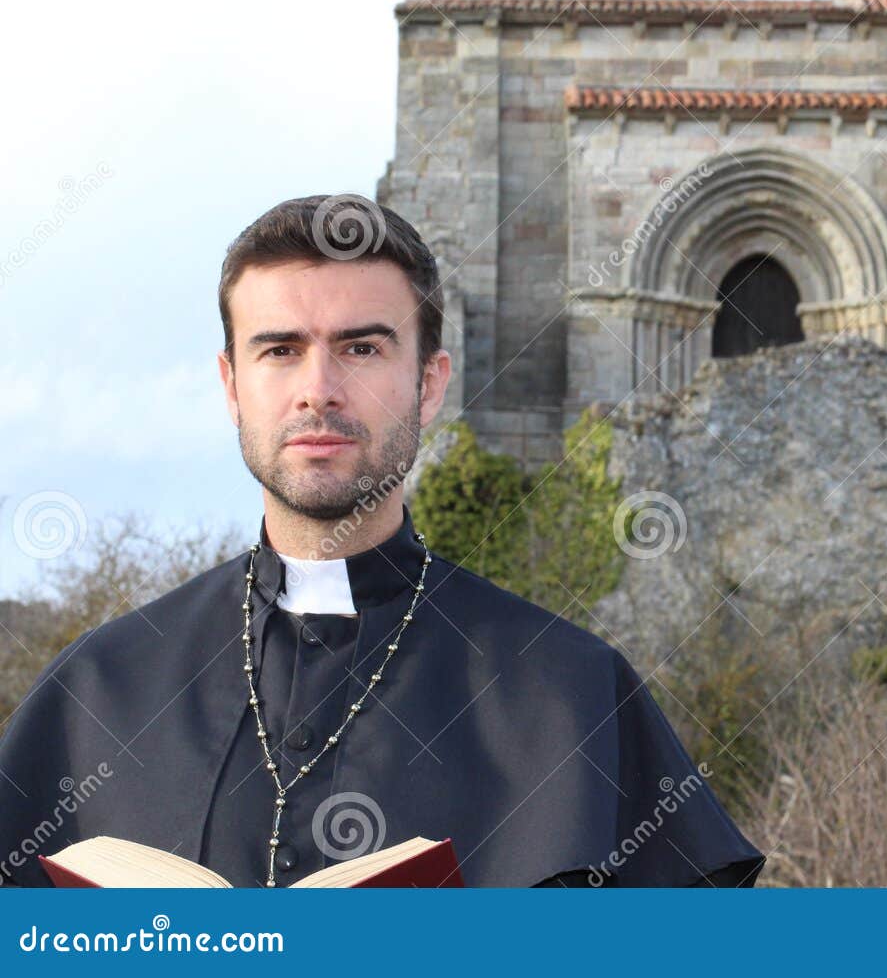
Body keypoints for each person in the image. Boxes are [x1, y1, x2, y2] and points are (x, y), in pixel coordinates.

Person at [0, 194, 764, 888]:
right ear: (232, 386)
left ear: (429, 383)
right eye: (280, 350)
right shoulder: (98, 691)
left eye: (361, 348)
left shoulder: (572, 694)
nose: (318, 389)